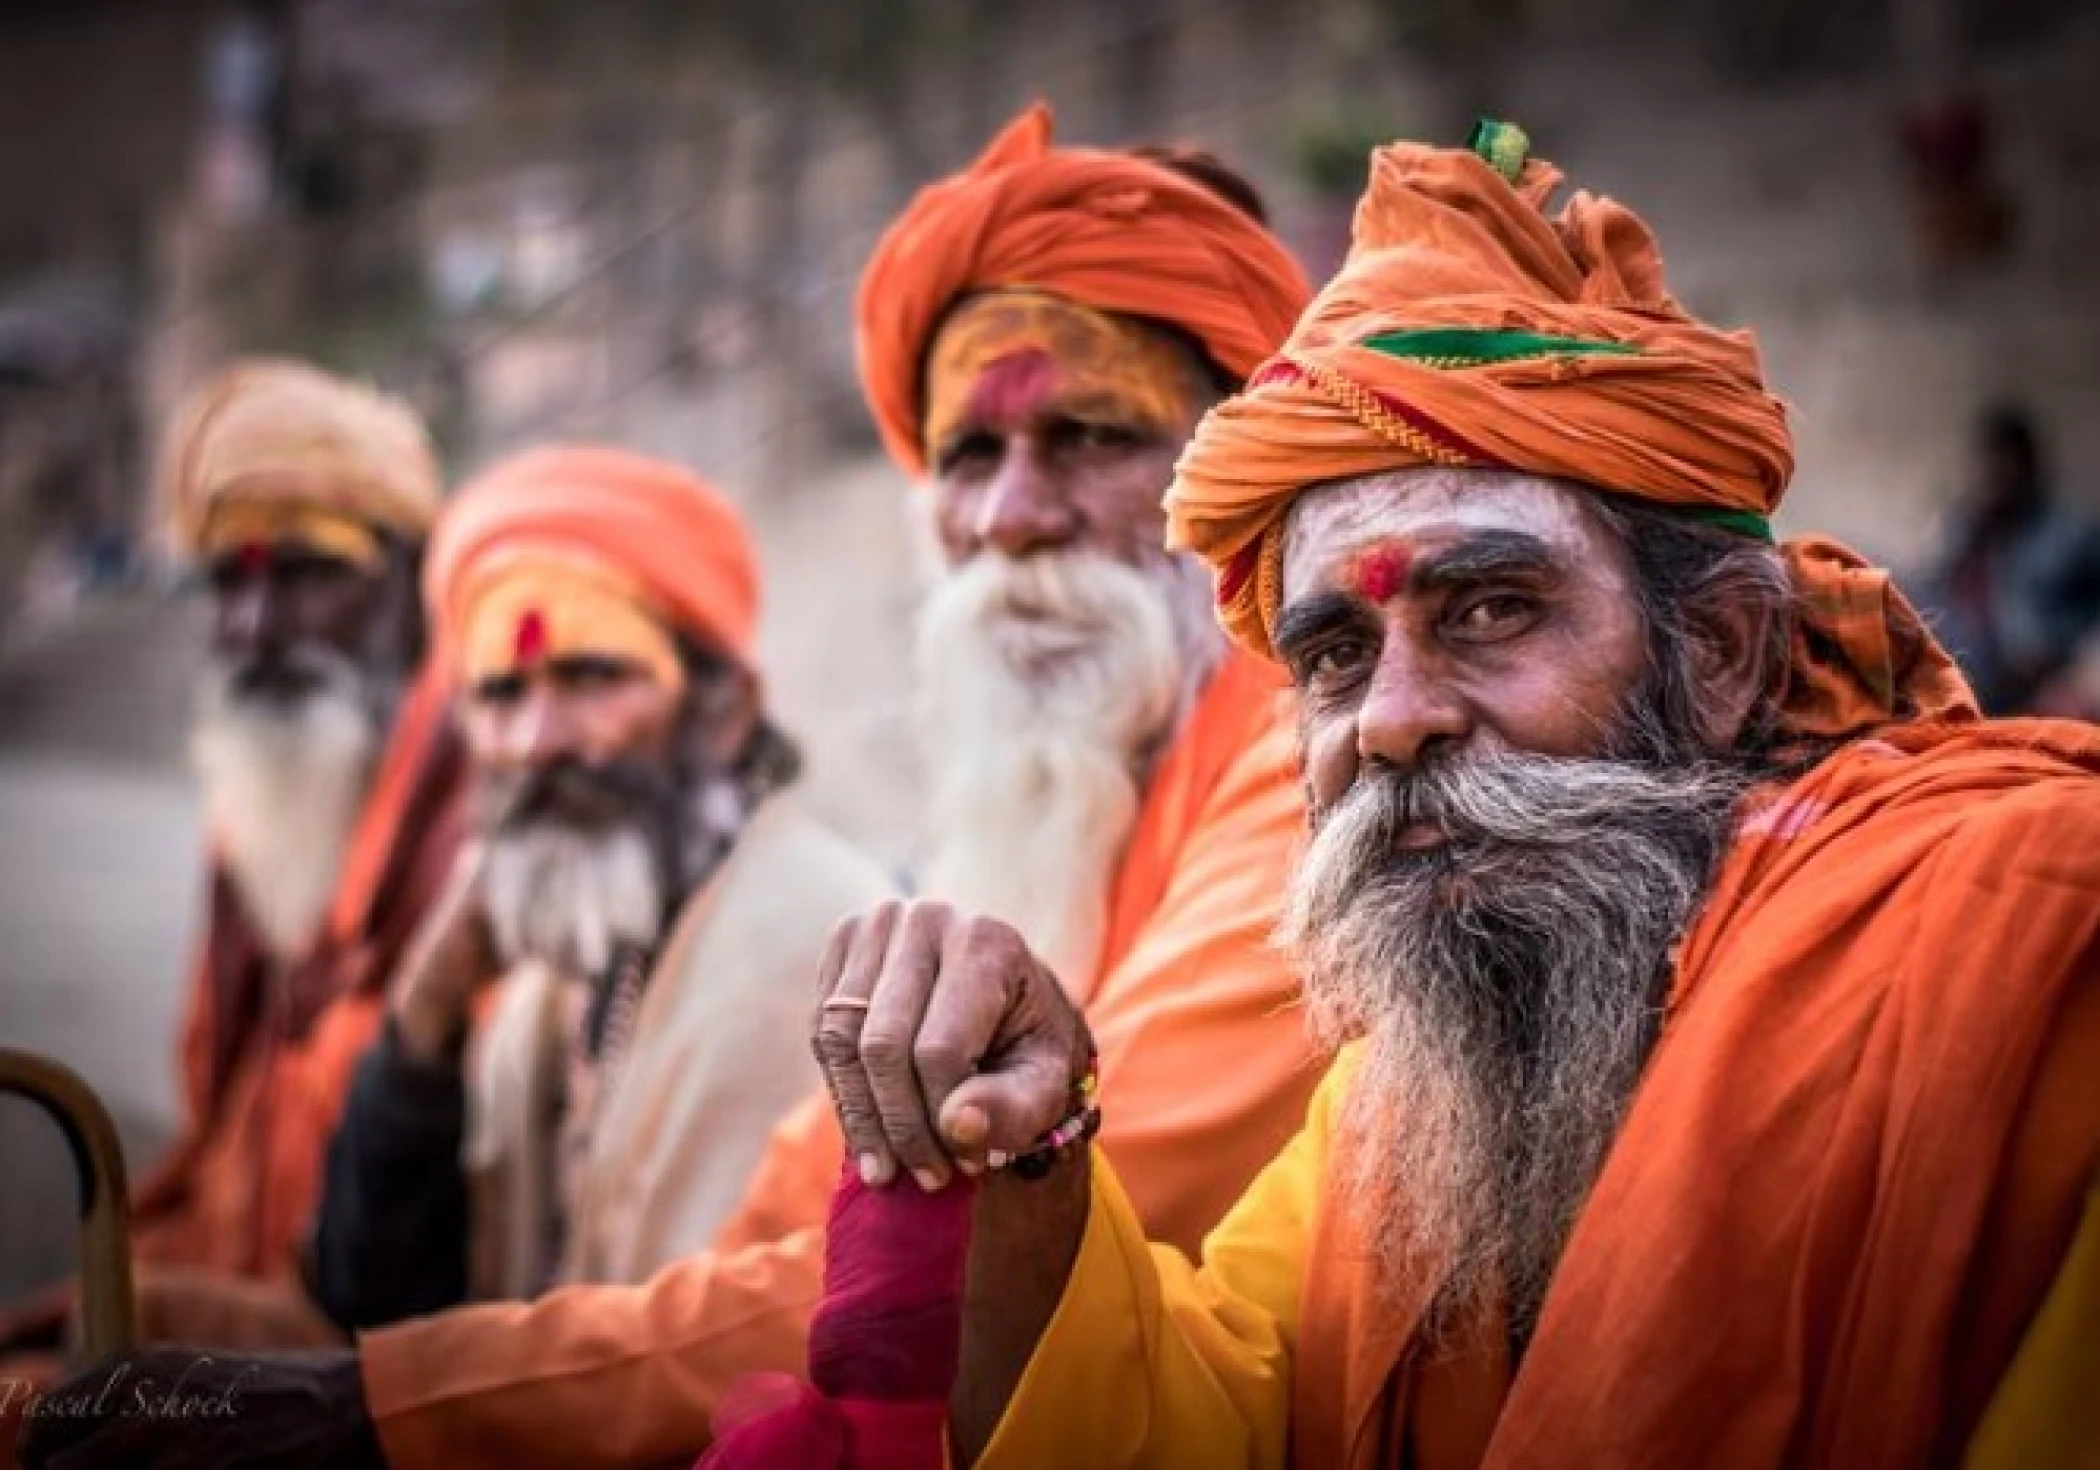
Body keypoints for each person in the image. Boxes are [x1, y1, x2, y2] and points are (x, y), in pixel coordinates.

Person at [18, 103, 1317, 1470]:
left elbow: (971, 1254)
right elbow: (793, 1209)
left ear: (1225, 467)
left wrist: (379, 1408)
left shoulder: (1292, 792)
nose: (1010, 517)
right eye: (971, 456)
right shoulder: (1028, 802)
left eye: (1094, 436)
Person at [793, 123, 2100, 1468]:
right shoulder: (1410, 1078)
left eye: (1489, 608)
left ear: (1717, 655)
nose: (1395, 719)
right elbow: (1214, 1426)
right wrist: (1035, 1160)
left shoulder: (2020, 946)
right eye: (1336, 654)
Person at [303, 444, 897, 1330]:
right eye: (502, 693)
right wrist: (424, 1012)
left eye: (591, 677)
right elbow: (375, 1305)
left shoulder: (814, 946)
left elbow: (720, 1360)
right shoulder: (563, 963)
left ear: (725, 709)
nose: (540, 739)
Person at [0, 358, 464, 1379]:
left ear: (413, 587)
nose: (255, 629)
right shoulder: (253, 829)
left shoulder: (473, 840)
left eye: (304, 573)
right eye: (229, 581)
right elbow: (210, 1157)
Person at [1916, 404, 2100, 713]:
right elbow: (1929, 593)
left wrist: (2081, 674)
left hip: (2048, 689)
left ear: (2028, 466)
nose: (1993, 475)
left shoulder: (2071, 534)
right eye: (1985, 463)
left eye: (2004, 462)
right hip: (1975, 691)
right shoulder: (1963, 531)